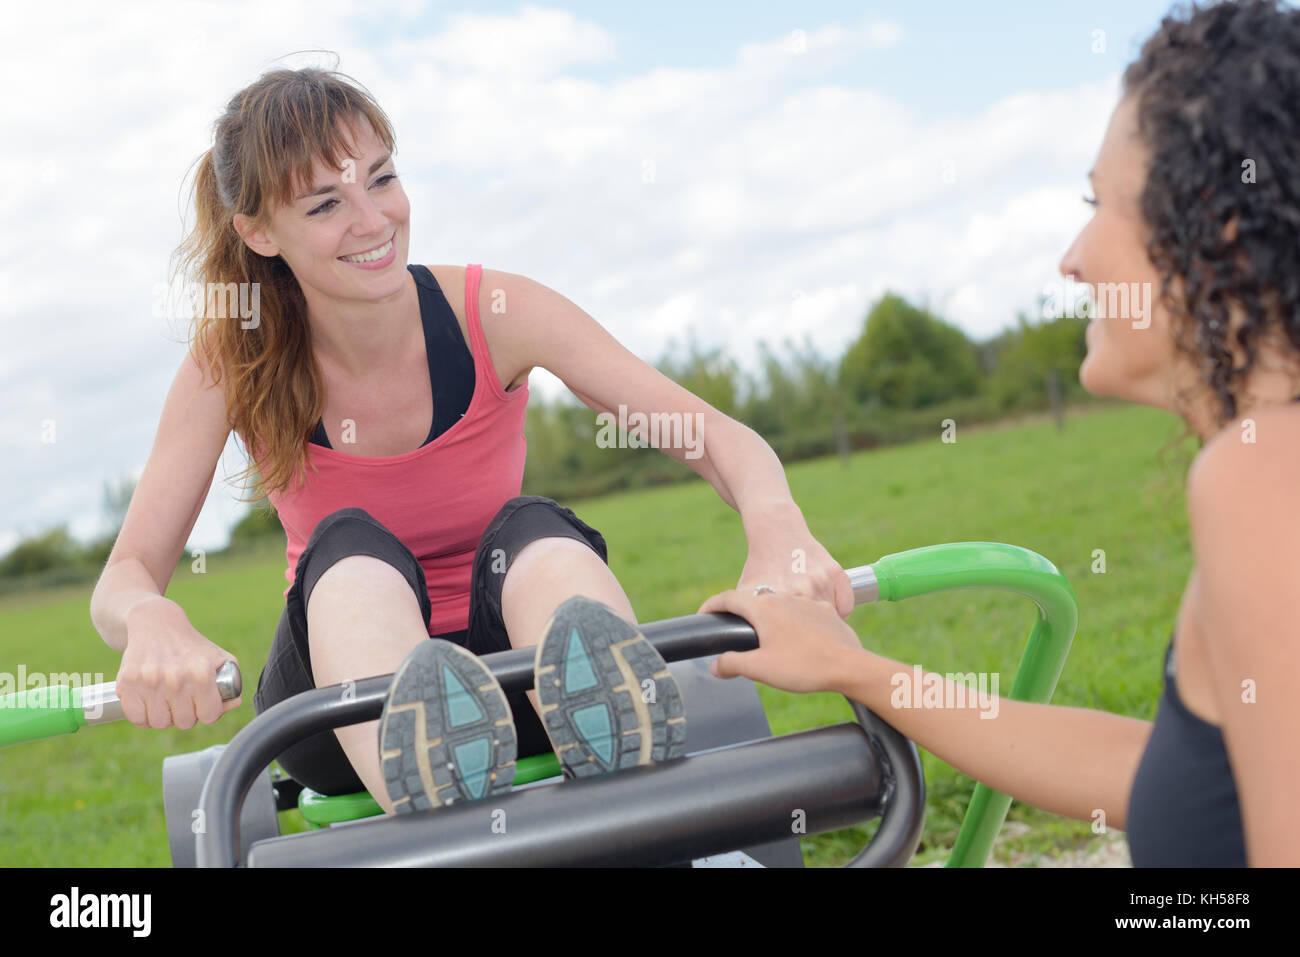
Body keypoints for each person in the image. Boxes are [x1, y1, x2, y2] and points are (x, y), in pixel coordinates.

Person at [88, 65, 855, 816]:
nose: (372, 220)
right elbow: (125, 576)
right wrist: (152, 620)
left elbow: (713, 436)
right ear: (257, 231)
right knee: (349, 543)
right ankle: (426, 764)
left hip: (514, 675)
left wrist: (779, 530)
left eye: (381, 180)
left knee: (534, 530)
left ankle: (620, 747)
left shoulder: (495, 309)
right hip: (338, 703)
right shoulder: (231, 359)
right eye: (325, 205)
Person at [698, 0, 1300, 867]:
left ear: (1218, 231)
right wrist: (856, 668)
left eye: (1099, 203)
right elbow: (1170, 774)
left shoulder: (1259, 481)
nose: (1072, 257)